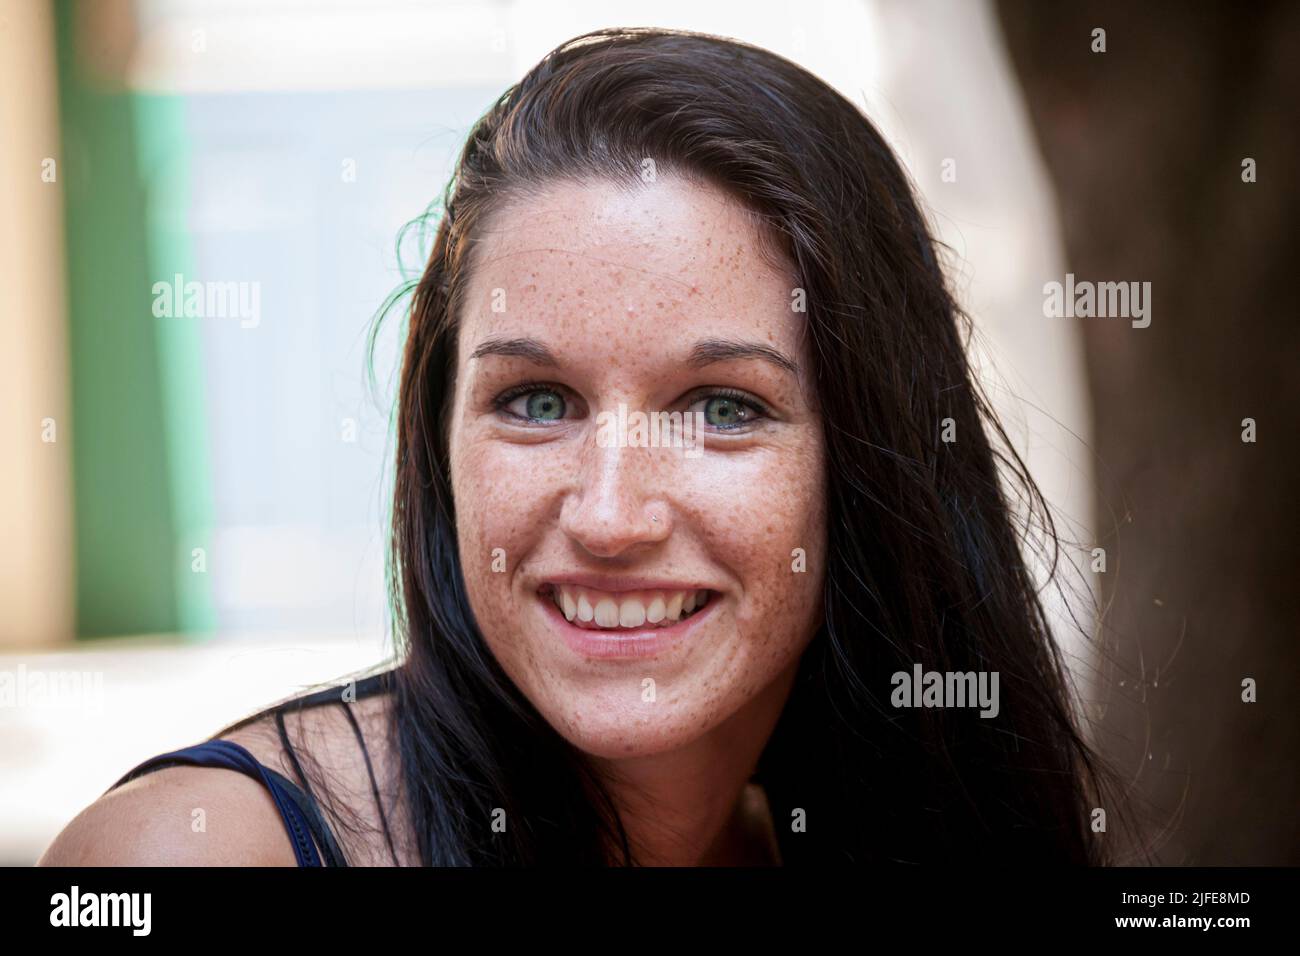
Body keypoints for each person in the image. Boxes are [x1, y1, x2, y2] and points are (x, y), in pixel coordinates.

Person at [39, 26, 1128, 867]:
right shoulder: (193, 853)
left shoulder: (897, 829)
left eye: (723, 408)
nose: (609, 515)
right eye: (538, 400)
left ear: (870, 456)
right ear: (439, 438)